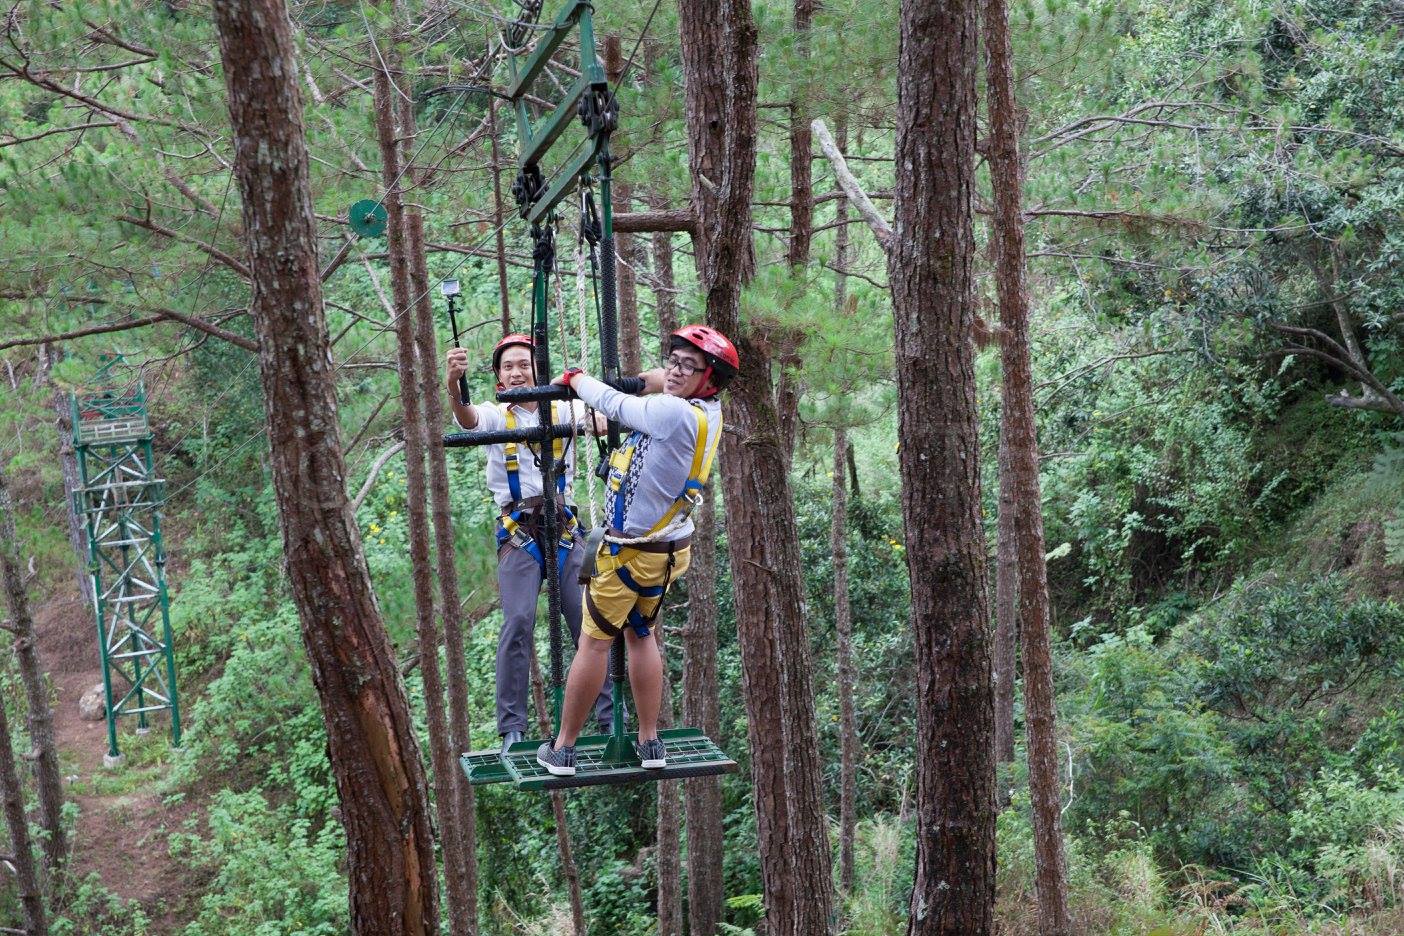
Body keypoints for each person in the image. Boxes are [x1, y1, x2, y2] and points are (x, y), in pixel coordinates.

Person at [535, 324, 739, 776]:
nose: (676, 370)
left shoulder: (671, 413)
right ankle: (650, 740)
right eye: (674, 360)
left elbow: (613, 404)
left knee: (593, 644)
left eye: (690, 365)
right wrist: (653, 375)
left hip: (629, 554)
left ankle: (564, 748)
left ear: (710, 378)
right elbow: (656, 382)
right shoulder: (708, 410)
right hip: (665, 553)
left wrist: (576, 380)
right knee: (641, 633)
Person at [445, 333, 613, 754]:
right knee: (518, 621)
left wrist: (598, 413)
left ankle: (611, 718)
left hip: (565, 530)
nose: (518, 372)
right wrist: (454, 383)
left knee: (590, 623)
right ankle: (512, 728)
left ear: (538, 370)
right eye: (509, 367)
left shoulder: (565, 409)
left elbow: (602, 420)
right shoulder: (496, 415)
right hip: (520, 533)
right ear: (499, 379)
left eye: (525, 364)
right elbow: (466, 418)